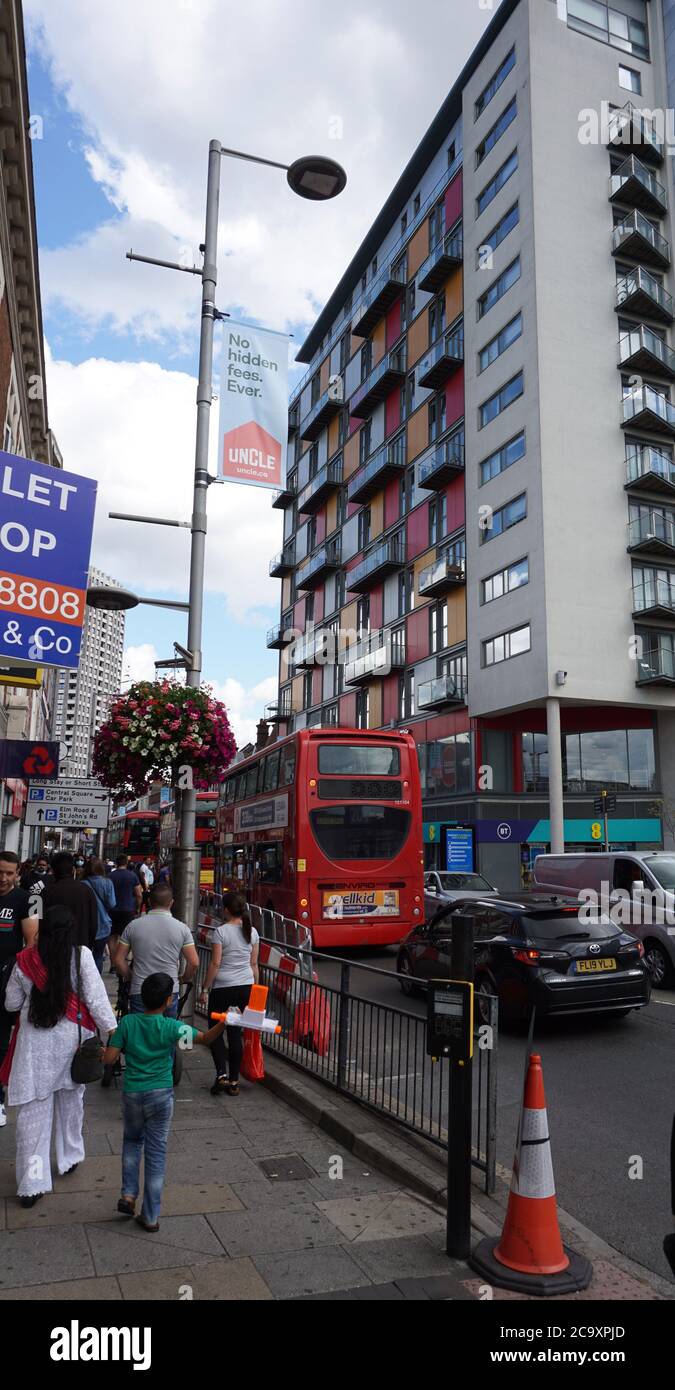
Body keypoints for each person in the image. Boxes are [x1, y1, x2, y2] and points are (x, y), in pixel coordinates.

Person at [2, 906, 116, 1206]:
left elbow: (12, 1004)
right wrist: (113, 1031)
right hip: (71, 1046)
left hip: (34, 1050)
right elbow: (96, 998)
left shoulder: (25, 960)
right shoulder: (81, 956)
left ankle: (33, 1183)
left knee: (32, 1119)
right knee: (71, 1105)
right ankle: (70, 1157)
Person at [102, 971, 226, 1231]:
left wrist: (108, 1046)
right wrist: (224, 1022)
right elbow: (203, 1039)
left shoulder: (128, 1023)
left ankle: (128, 1194)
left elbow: (109, 1059)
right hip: (161, 1094)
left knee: (132, 1142)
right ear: (168, 1000)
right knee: (156, 1153)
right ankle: (150, 1216)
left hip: (133, 1093)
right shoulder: (171, 1027)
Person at [199, 890, 259, 1097]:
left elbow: (215, 963)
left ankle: (221, 1075)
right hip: (245, 987)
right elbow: (254, 964)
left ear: (226, 910)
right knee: (235, 1034)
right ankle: (234, 1081)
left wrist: (205, 988)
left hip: (223, 988)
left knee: (215, 1032)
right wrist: (255, 991)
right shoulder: (252, 932)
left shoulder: (221, 932)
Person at [113, 883, 198, 1018]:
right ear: (171, 903)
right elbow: (194, 962)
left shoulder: (133, 926)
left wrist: (131, 976)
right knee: (167, 1034)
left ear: (149, 901)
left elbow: (118, 960)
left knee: (141, 1035)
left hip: (139, 989)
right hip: (169, 991)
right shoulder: (182, 928)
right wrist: (182, 979)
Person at [0, 851, 39, 1128]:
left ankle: (0, 1098)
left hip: (6, 981)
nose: (3, 878)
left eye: (9, 873)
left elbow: (32, 942)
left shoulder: (29, 900)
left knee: (2, 1038)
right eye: (0, 872)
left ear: (17, 874)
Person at [43, 852, 98, 951]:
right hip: (80, 948)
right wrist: (89, 945)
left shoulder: (46, 892)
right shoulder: (87, 890)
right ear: (72, 870)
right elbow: (93, 922)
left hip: (53, 949)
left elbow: (38, 922)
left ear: (52, 870)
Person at [82, 858, 116, 973]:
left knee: (84, 956)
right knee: (98, 955)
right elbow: (112, 904)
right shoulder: (107, 883)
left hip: (86, 926)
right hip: (103, 924)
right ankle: (96, 982)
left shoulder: (82, 884)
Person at [109, 855, 143, 967]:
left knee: (113, 936)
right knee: (127, 937)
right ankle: (121, 960)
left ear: (116, 863)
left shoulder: (110, 876)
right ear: (126, 863)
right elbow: (138, 894)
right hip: (128, 910)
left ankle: (113, 963)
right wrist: (137, 907)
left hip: (113, 910)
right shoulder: (132, 876)